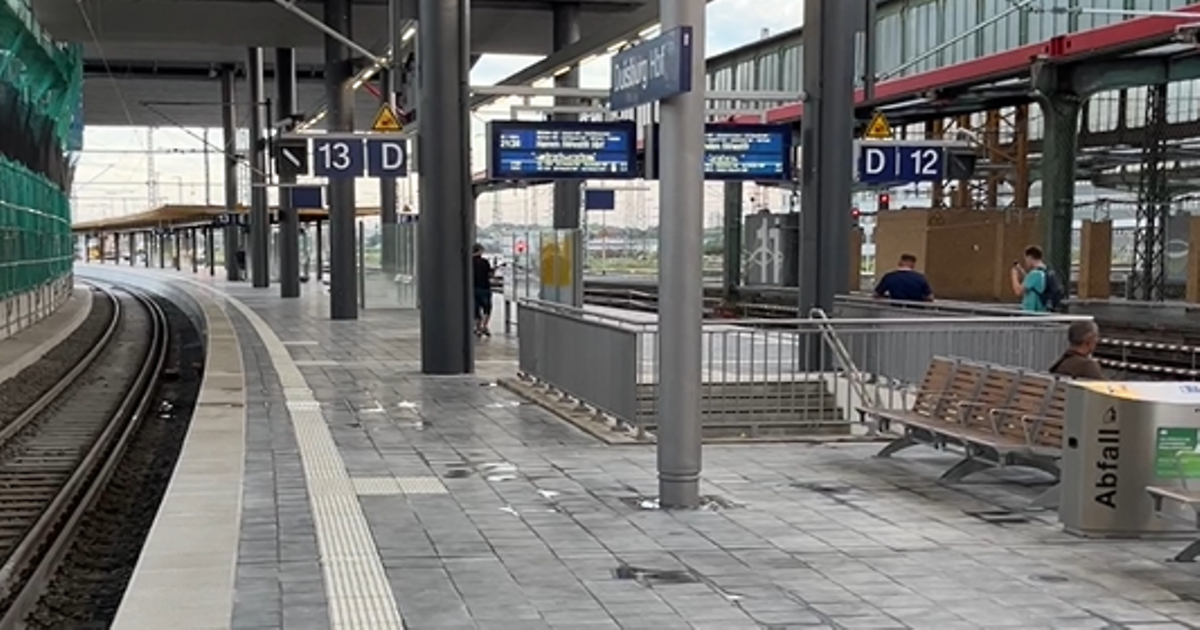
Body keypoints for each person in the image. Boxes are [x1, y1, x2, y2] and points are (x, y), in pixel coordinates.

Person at [1011, 245, 1050, 313]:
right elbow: (1032, 284)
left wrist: (1014, 276)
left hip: (1032, 313)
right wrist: (1022, 271)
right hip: (1041, 311)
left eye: (1026, 259)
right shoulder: (1044, 271)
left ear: (1029, 258)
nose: (1026, 262)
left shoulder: (1035, 274)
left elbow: (1018, 291)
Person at [472, 244, 493, 337]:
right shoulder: (485, 262)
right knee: (487, 308)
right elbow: (490, 274)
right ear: (479, 251)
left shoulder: (468, 262)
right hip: (484, 288)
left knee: (476, 309)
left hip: (472, 288)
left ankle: (477, 328)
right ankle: (484, 326)